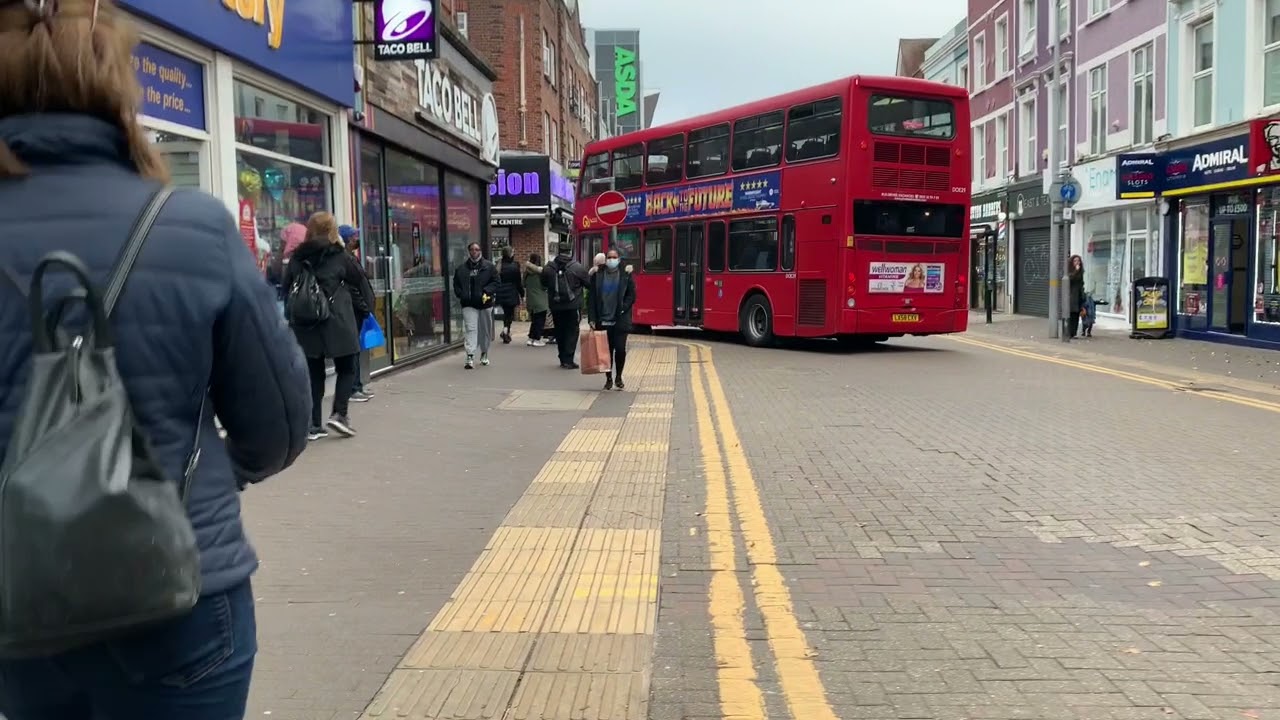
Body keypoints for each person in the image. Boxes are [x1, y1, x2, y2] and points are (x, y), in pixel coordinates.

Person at [0, 0, 312, 716]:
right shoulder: (193, 228)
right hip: (184, 598)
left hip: (22, 603)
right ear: (120, 96)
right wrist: (196, 479)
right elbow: (279, 429)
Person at [285, 212, 374, 439]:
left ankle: (313, 426)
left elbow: (286, 286)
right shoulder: (339, 255)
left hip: (306, 323)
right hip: (337, 321)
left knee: (314, 374)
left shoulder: (297, 257)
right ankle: (339, 414)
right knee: (347, 367)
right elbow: (360, 279)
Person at [587, 248, 637, 391]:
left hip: (620, 319)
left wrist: (623, 307)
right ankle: (608, 378)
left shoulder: (626, 274)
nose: (611, 260)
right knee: (606, 352)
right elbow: (591, 299)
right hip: (603, 320)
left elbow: (631, 295)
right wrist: (592, 318)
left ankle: (619, 377)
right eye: (609, 257)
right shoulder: (598, 274)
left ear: (619, 259)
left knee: (620, 349)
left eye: (614, 257)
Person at [340, 224, 374, 403]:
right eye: (354, 236)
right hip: (354, 311)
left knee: (358, 348)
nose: (356, 239)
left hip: (359, 310)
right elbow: (352, 288)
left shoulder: (351, 257)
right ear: (346, 239)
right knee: (353, 350)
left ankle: (358, 384)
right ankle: (353, 388)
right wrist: (363, 306)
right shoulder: (345, 258)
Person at [542, 242, 590, 369]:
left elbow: (543, 284)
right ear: (570, 251)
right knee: (572, 331)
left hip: (556, 306)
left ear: (558, 251)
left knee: (559, 330)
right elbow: (588, 284)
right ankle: (568, 359)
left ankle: (562, 357)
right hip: (573, 306)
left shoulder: (548, 268)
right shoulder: (577, 267)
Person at [452, 241, 498, 369]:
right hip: (469, 303)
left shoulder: (489, 267)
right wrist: (461, 294)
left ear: (480, 251)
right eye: (472, 249)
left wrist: (487, 291)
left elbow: (496, 282)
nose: (474, 252)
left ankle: (484, 352)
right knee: (471, 329)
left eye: (477, 249)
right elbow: (456, 284)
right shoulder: (462, 269)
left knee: (485, 330)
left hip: (485, 303)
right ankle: (470, 355)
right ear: (469, 252)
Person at [494, 246, 524, 344]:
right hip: (511, 291)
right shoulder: (515, 265)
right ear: (510, 253)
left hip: (501, 292)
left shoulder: (499, 265)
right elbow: (518, 282)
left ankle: (506, 331)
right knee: (509, 314)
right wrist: (522, 294)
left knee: (506, 313)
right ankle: (506, 331)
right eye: (513, 252)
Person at [524, 253, 549, 346]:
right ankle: (537, 339)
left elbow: (524, 285)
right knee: (540, 321)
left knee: (534, 321)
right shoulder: (540, 273)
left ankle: (531, 338)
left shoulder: (526, 273)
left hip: (530, 300)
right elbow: (545, 285)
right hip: (540, 300)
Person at [1066, 254, 1085, 339]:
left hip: (1078, 296)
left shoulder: (1080, 272)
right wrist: (1076, 271)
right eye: (1075, 261)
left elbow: (1081, 284)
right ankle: (1069, 332)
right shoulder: (1070, 271)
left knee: (1076, 315)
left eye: (1078, 261)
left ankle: (1074, 333)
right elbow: (1070, 279)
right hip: (1071, 296)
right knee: (1071, 314)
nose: (1077, 263)